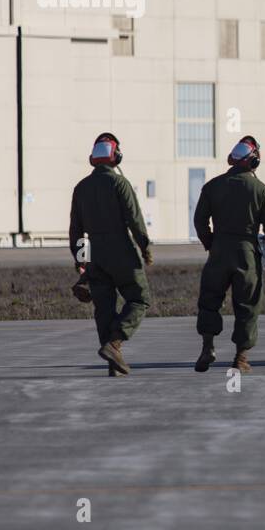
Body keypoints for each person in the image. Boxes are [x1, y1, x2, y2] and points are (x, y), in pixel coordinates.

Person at [192, 135, 265, 374]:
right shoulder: (261, 190)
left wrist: (211, 243)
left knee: (210, 300)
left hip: (219, 252)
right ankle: (240, 358)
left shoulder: (211, 186)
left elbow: (199, 220)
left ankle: (207, 348)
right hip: (247, 254)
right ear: (253, 161)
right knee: (247, 305)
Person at [68, 132, 153, 376]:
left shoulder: (81, 188)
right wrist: (145, 247)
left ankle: (112, 363)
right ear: (116, 157)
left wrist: (82, 261)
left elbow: (77, 230)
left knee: (104, 308)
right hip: (122, 252)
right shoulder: (120, 184)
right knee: (139, 299)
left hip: (94, 255)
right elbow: (135, 220)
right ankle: (115, 344)